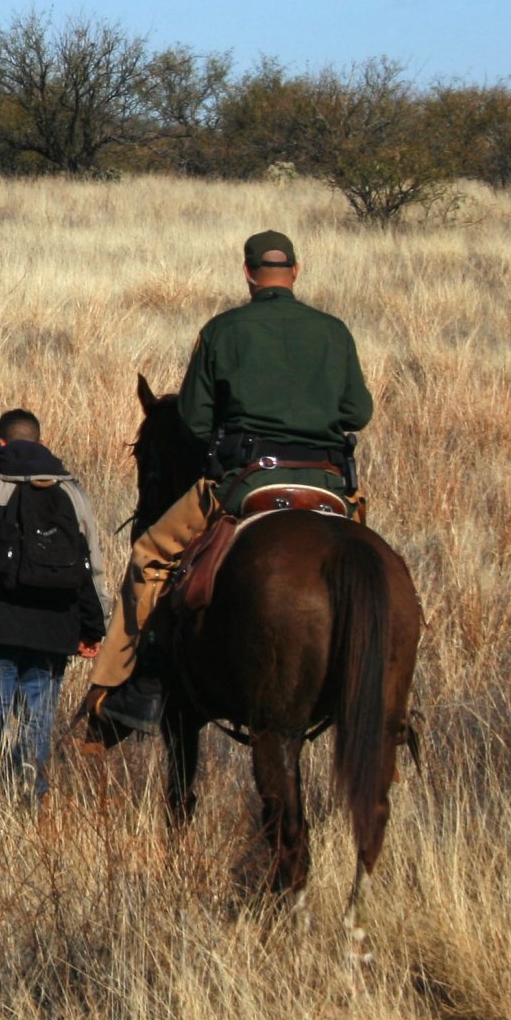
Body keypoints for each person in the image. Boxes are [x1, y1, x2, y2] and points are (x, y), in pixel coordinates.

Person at [89, 230, 373, 738]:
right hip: (330, 485)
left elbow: (196, 421)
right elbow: (359, 411)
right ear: (296, 271)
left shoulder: (222, 330)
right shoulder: (333, 330)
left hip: (247, 482)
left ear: (247, 273)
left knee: (150, 557)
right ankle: (389, 711)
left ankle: (125, 691)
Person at [0, 410, 106, 797]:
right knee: (37, 721)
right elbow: (91, 568)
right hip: (55, 630)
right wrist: (93, 627)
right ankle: (29, 796)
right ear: (42, 443)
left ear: (1, 443)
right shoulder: (73, 493)